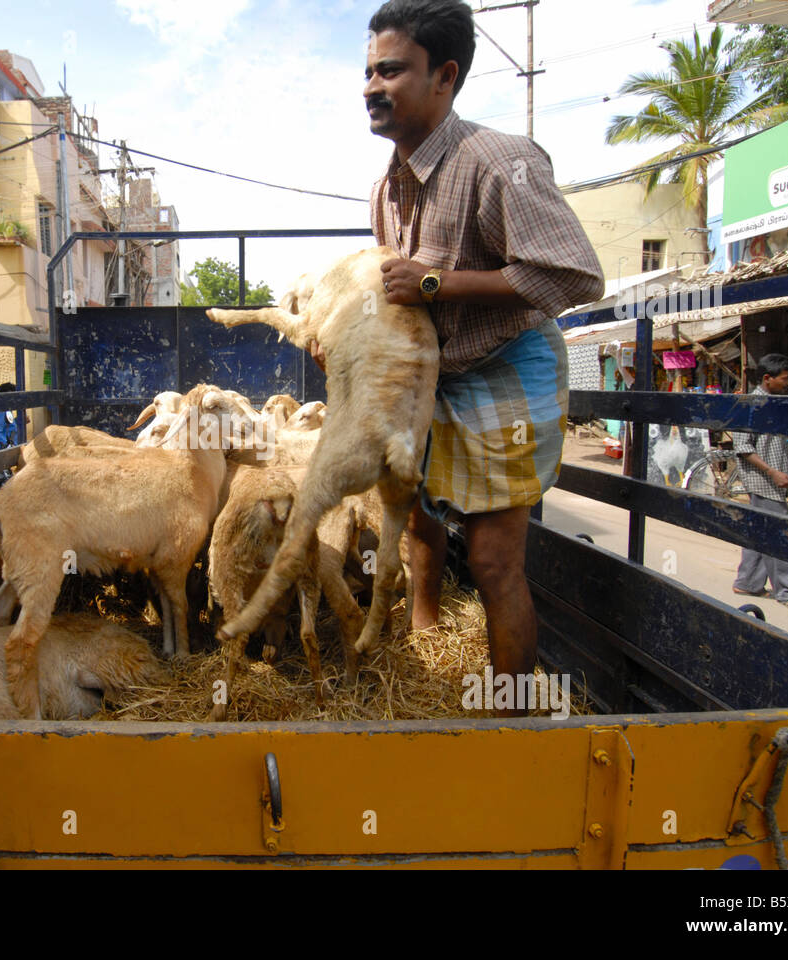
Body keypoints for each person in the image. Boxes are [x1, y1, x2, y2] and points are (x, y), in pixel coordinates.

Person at [311, 0, 604, 716]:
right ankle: (427, 639)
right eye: (368, 71)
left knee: (495, 559)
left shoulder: (501, 161)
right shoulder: (386, 187)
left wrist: (438, 281)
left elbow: (573, 276)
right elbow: (393, 291)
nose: (371, 86)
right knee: (414, 519)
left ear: (444, 76)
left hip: (507, 365)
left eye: (391, 70)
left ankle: (508, 717)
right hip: (432, 373)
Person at [732, 354, 788, 613]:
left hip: (770, 479)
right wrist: (774, 473)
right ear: (768, 379)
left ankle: (748, 582)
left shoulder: (773, 404)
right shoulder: (751, 406)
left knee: (761, 531)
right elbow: (743, 447)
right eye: (785, 379)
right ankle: (787, 592)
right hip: (764, 480)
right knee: (778, 535)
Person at [0, 382, 21, 451]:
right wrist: (7, 447)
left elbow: (6, 425)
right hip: (2, 451)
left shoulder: (5, 409)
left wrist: (18, 421)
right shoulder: (2, 409)